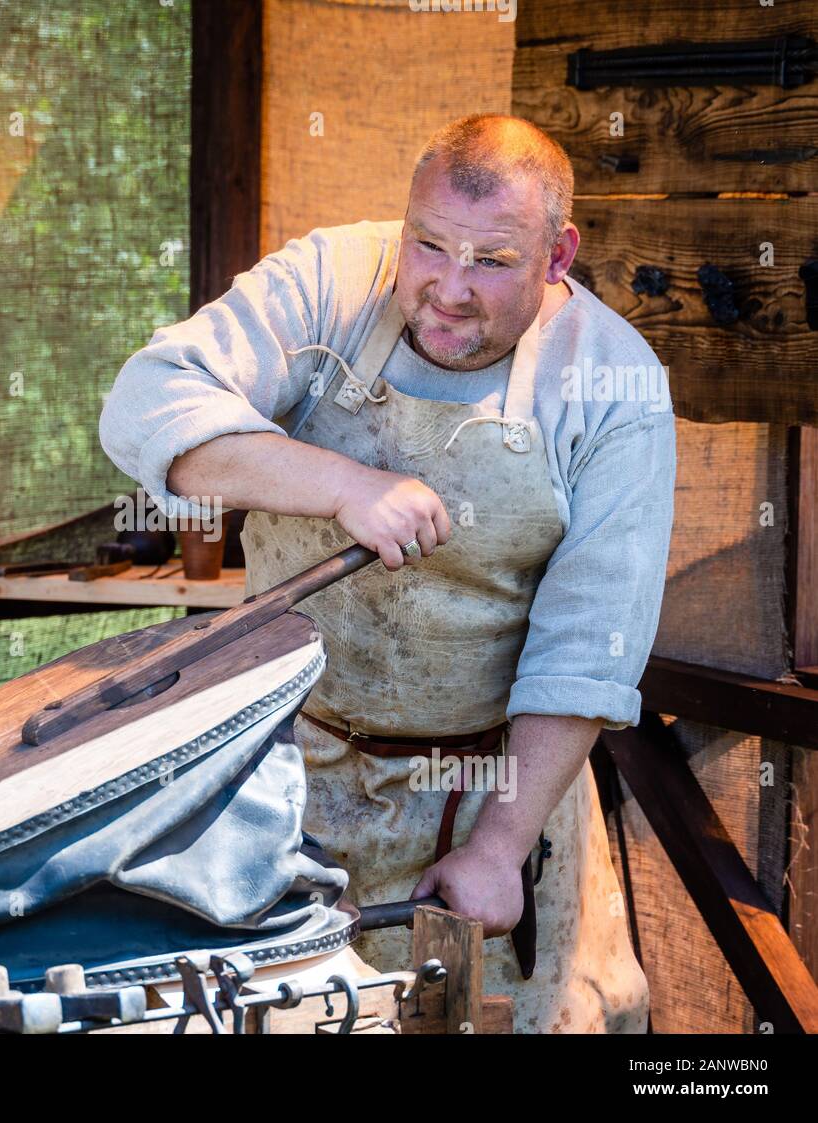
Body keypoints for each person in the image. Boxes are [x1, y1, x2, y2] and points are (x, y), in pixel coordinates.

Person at [99, 113, 675, 1033]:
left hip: (496, 793)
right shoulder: (330, 280)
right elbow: (144, 405)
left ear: (558, 254)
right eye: (428, 245)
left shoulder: (614, 385)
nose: (448, 289)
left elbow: (590, 644)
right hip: (291, 779)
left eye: (492, 260)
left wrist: (498, 847)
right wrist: (343, 485)